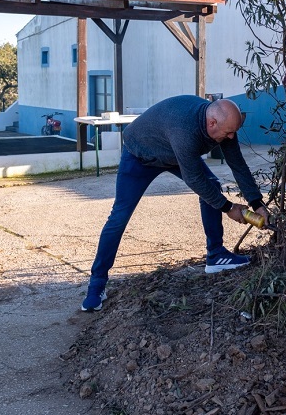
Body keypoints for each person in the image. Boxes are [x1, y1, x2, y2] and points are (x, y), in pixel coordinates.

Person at [81, 95, 269, 312]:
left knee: (212, 186)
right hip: (140, 155)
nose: (231, 136)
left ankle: (216, 255)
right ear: (212, 123)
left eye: (233, 131)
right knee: (118, 218)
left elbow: (238, 164)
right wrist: (228, 208)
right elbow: (194, 179)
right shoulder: (185, 130)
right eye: (228, 132)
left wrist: (257, 204)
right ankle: (96, 285)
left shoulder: (225, 126)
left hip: (173, 154)